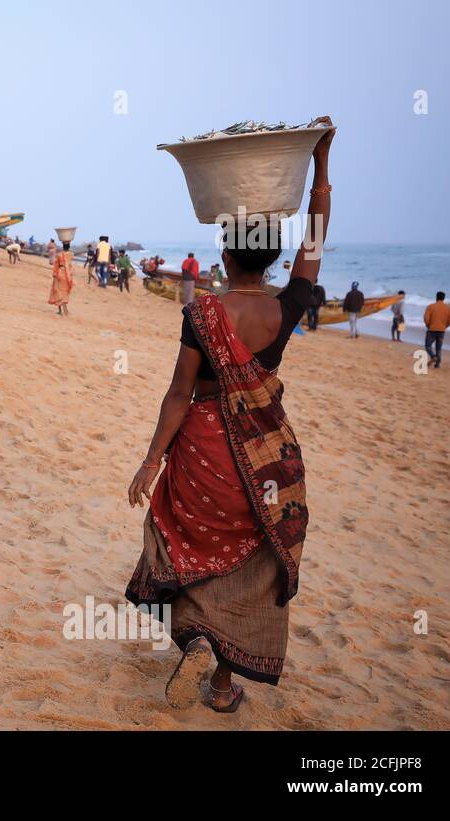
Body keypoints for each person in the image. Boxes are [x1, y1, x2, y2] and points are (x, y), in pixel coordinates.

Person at [125, 119, 334, 713]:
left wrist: (151, 460)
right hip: (263, 454)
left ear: (224, 251)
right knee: (252, 561)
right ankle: (222, 685)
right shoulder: (289, 305)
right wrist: (320, 166)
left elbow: (177, 394)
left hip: (202, 449)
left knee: (188, 545)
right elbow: (314, 240)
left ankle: (194, 638)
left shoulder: (204, 312)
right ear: (273, 256)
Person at [423, 291, 450, 368]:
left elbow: (426, 318)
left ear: (436, 297)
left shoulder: (431, 306)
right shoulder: (448, 308)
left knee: (428, 346)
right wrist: (445, 326)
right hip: (442, 330)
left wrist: (428, 325)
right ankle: (437, 364)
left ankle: (433, 356)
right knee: (438, 348)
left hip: (432, 329)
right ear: (444, 298)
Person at [48, 239, 73, 315]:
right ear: (69, 247)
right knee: (65, 291)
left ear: (63, 247)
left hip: (60, 273)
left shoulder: (59, 255)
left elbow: (56, 265)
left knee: (57, 290)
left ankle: (60, 310)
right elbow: (70, 265)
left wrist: (54, 274)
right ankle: (65, 308)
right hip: (68, 274)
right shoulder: (71, 254)